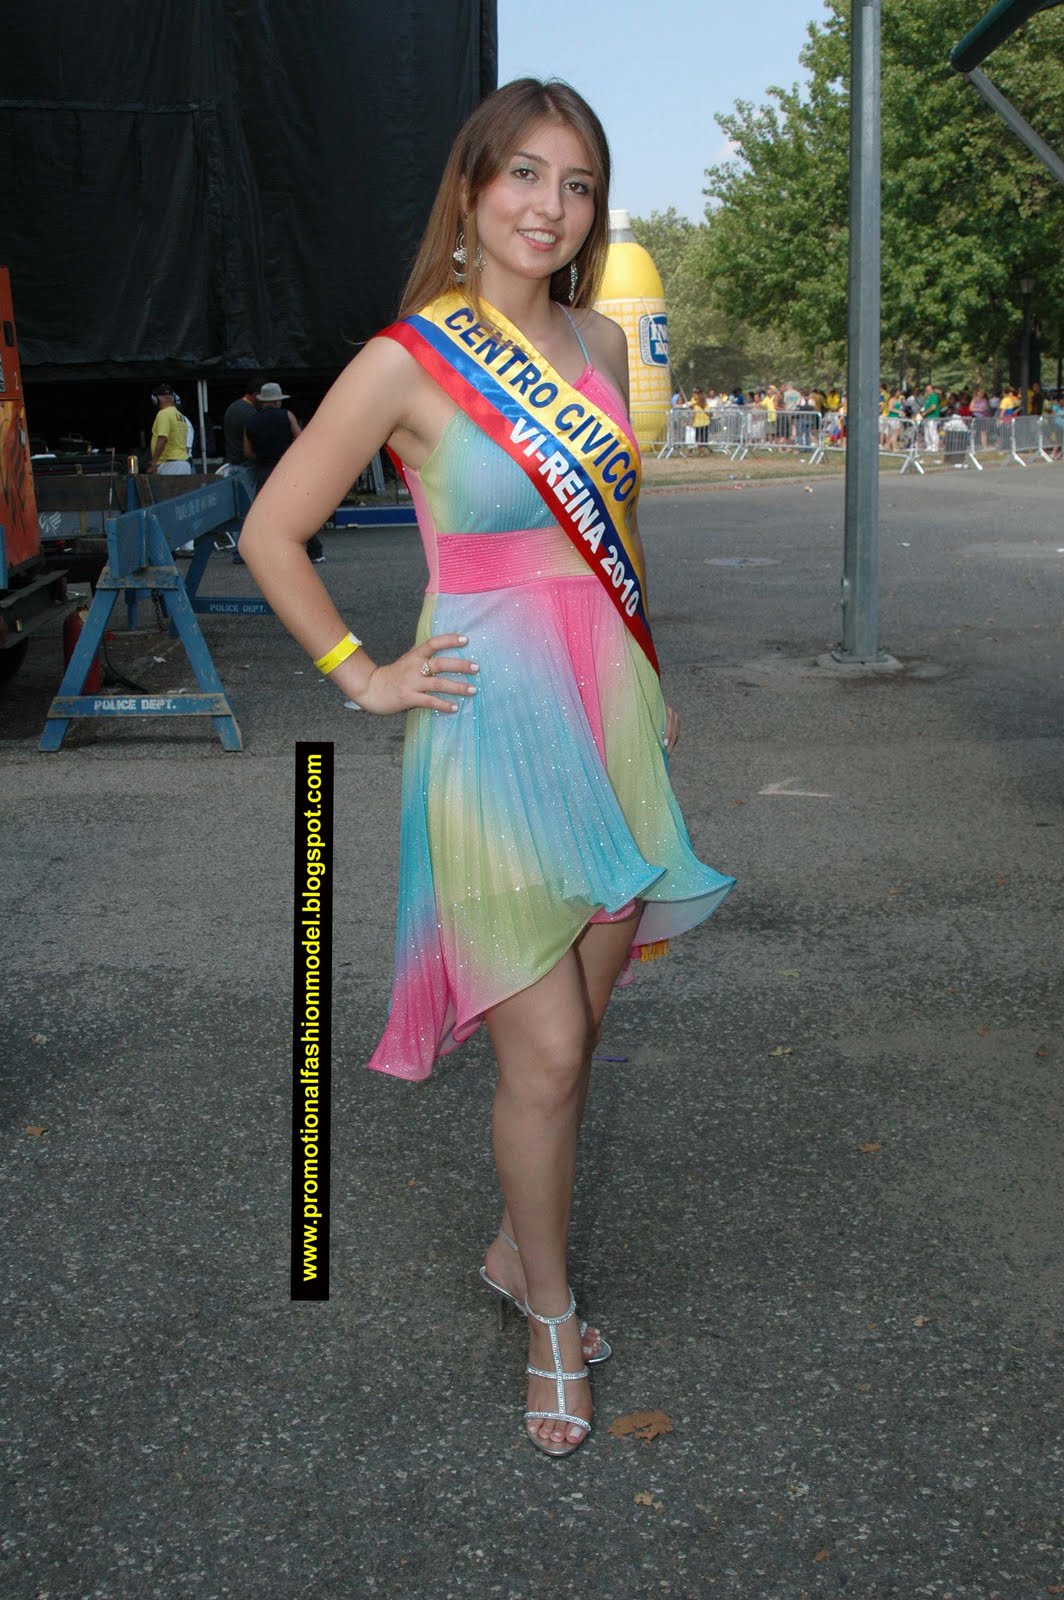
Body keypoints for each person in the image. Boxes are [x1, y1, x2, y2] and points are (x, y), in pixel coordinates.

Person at [239, 77, 734, 1459]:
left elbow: (613, 539)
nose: (550, 207)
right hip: (489, 722)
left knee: (574, 1050)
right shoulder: (409, 360)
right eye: (524, 175)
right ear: (470, 190)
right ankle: (551, 1318)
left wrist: (653, 674)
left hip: (609, 710)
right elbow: (274, 535)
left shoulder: (593, 340)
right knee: (550, 1046)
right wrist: (367, 676)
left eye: (576, 185)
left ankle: (520, 1250)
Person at [243, 382, 324, 563]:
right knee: (297, 510)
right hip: (286, 469)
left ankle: (264, 552)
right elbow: (301, 439)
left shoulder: (251, 421)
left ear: (263, 401)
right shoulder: (287, 416)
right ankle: (314, 549)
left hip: (264, 470)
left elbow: (247, 451)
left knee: (264, 513)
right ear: (278, 401)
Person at [147, 384, 191, 475]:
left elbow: (162, 439)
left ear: (156, 399)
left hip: (170, 466)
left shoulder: (163, 414)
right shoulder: (180, 416)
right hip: (184, 464)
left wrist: (153, 463)